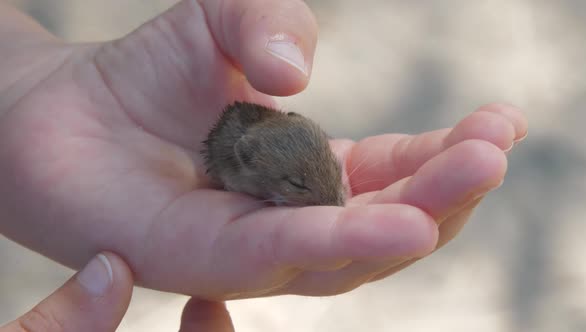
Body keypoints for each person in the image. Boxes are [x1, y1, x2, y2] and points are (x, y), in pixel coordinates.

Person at [0, 0, 528, 331]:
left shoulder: (297, 141)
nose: (329, 196)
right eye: (301, 185)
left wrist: (24, 82)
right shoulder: (243, 161)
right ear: (254, 168)